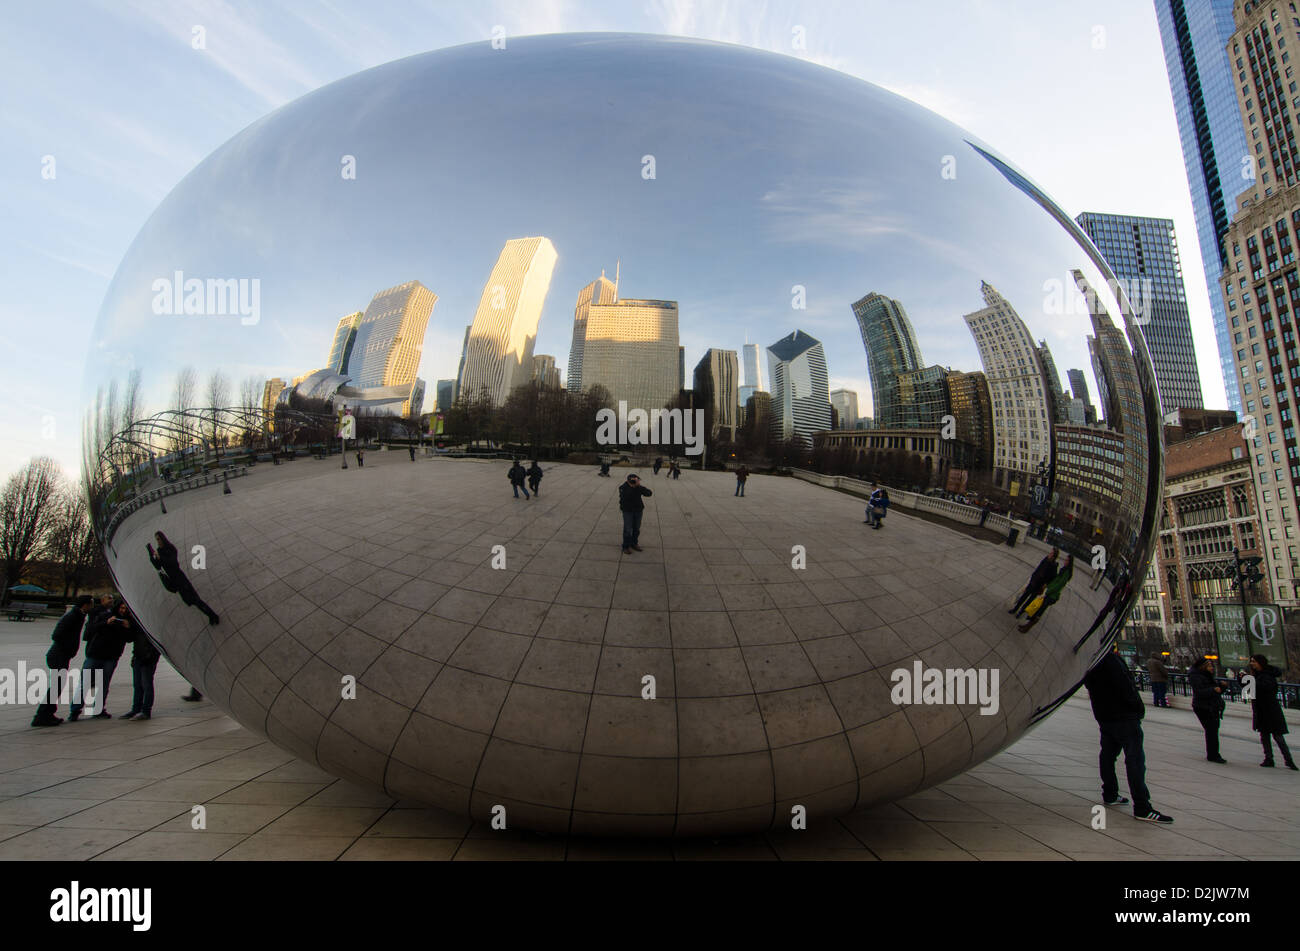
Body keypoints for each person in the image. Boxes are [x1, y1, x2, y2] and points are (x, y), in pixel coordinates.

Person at [1083, 647, 1174, 823]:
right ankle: (1142, 806)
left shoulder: (1090, 660)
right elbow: (1126, 686)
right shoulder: (1110, 661)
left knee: (1108, 756)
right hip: (1124, 717)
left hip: (1105, 716)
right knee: (1135, 760)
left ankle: (1110, 793)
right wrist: (1137, 709)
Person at [31, 595, 94, 727]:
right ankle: (41, 716)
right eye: (91, 604)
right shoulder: (72, 616)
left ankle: (47, 714)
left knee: (57, 686)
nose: (92, 606)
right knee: (56, 686)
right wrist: (68, 647)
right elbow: (57, 635)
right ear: (85, 605)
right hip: (58, 655)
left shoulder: (78, 616)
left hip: (62, 655)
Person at [69, 599, 134, 720]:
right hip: (96, 654)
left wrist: (127, 628)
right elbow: (92, 629)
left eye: (125, 609)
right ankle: (75, 710)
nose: (123, 611)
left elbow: (129, 639)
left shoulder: (128, 622)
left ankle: (98, 710)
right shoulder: (105, 616)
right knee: (85, 683)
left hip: (111, 657)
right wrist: (107, 623)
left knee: (103, 685)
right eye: (121, 608)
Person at [148, 532, 220, 625]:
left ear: (163, 538)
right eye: (156, 539)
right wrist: (152, 556)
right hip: (175, 580)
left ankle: (213, 615)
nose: (157, 541)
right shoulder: (159, 551)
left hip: (180, 578)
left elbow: (173, 562)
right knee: (192, 601)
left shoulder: (170, 548)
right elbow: (158, 566)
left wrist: (160, 557)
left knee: (196, 599)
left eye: (158, 539)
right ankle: (210, 615)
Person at [1248, 654, 1296, 769]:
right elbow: (1249, 692)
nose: (1252, 663)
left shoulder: (1267, 676)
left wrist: (1251, 681)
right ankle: (1269, 758)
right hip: (1262, 710)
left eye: (1254, 661)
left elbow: (1265, 689)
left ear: (1260, 663)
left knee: (1278, 736)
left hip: (1270, 710)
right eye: (1251, 661)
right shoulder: (1257, 675)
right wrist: (1243, 680)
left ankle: (1288, 759)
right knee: (1264, 735)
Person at [1073, 570, 1133, 654]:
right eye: (1120, 582)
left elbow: (1119, 603)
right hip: (1106, 612)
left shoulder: (1124, 591)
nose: (1120, 583)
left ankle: (1087, 643)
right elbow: (1111, 602)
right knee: (1093, 628)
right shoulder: (1117, 590)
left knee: (1102, 630)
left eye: (1122, 582)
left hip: (1113, 615)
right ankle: (1081, 642)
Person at [1018, 554, 1073, 632]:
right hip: (1049, 592)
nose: (1065, 561)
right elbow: (1054, 581)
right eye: (1065, 560)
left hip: (1051, 596)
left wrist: (1048, 591)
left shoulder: (1066, 573)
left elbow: (1059, 585)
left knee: (1039, 612)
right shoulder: (1063, 570)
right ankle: (1027, 625)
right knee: (1037, 609)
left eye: (1067, 560)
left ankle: (1027, 628)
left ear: (1070, 563)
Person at [1188, 656, 1227, 763]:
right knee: (1211, 730)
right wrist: (1214, 689)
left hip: (1211, 706)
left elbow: (1214, 691)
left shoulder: (1207, 676)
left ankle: (1213, 753)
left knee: (1212, 730)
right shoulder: (1196, 676)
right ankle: (1213, 755)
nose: (1211, 668)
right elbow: (1200, 692)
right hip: (1203, 707)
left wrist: (1221, 687)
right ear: (1203, 667)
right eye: (1209, 666)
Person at [122, 622, 162, 720]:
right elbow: (130, 639)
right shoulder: (138, 623)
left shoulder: (153, 625)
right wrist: (128, 628)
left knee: (146, 685)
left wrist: (150, 657)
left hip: (148, 659)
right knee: (137, 685)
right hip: (138, 657)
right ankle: (136, 709)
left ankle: (146, 711)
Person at [1009, 547, 1059, 616]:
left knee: (1030, 600)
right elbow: (1039, 567)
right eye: (1050, 553)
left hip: (1039, 585)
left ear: (1054, 556)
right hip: (1034, 581)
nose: (1049, 554)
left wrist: (1045, 584)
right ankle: (1015, 609)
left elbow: (1052, 578)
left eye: (1051, 553)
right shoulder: (1046, 559)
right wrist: (1033, 576)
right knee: (1024, 596)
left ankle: (1021, 612)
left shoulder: (1053, 566)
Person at [619, 473, 652, 554]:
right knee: (627, 529)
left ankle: (634, 543)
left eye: (637, 480)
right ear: (628, 481)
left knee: (636, 528)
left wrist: (639, 486)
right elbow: (626, 496)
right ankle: (625, 546)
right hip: (627, 511)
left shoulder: (638, 487)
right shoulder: (623, 487)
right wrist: (632, 487)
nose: (635, 482)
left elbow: (649, 493)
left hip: (638, 510)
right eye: (633, 481)